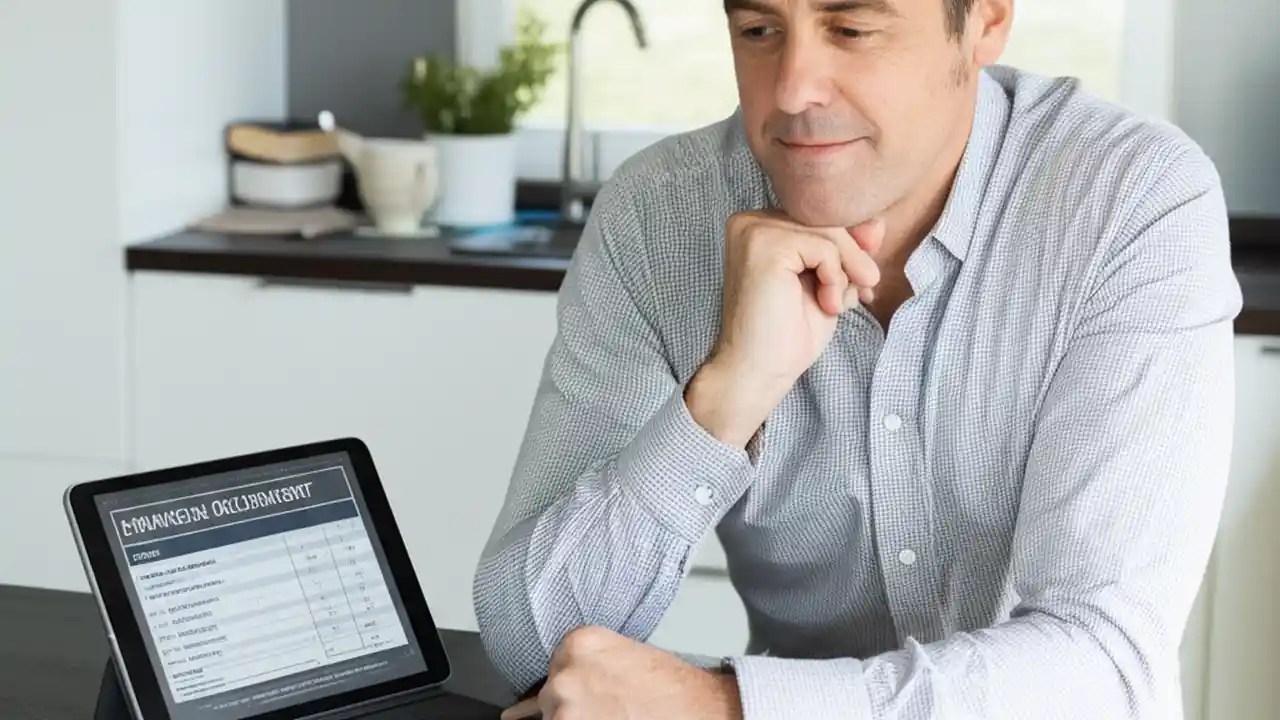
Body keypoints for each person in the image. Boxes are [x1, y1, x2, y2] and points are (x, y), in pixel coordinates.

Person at [474, 0, 1242, 717]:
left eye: (852, 28)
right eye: (759, 30)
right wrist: (730, 390)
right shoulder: (658, 216)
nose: (793, 90)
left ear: (986, 22)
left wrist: (728, 707)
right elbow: (530, 643)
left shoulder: (1131, 200)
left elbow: (1104, 669)